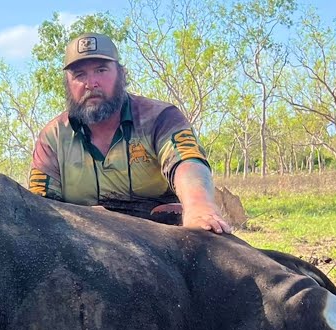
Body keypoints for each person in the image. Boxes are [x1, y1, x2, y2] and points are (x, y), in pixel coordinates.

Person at [27, 33, 230, 232]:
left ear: (122, 75)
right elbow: (40, 206)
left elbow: (186, 161)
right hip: (89, 241)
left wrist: (199, 207)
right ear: (68, 84)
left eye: (101, 70)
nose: (91, 83)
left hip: (164, 236)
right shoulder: (53, 137)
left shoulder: (160, 117)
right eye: (80, 75)